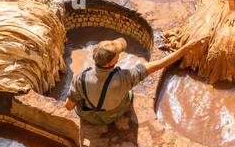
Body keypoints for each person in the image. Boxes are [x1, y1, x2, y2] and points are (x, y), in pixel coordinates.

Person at [64, 37, 202, 126]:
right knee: (129, 93)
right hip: (112, 116)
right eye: (118, 54)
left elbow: (69, 106)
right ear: (111, 62)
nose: (119, 54)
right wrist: (186, 48)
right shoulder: (126, 77)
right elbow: (161, 63)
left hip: (88, 116)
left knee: (81, 95)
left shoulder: (80, 77)